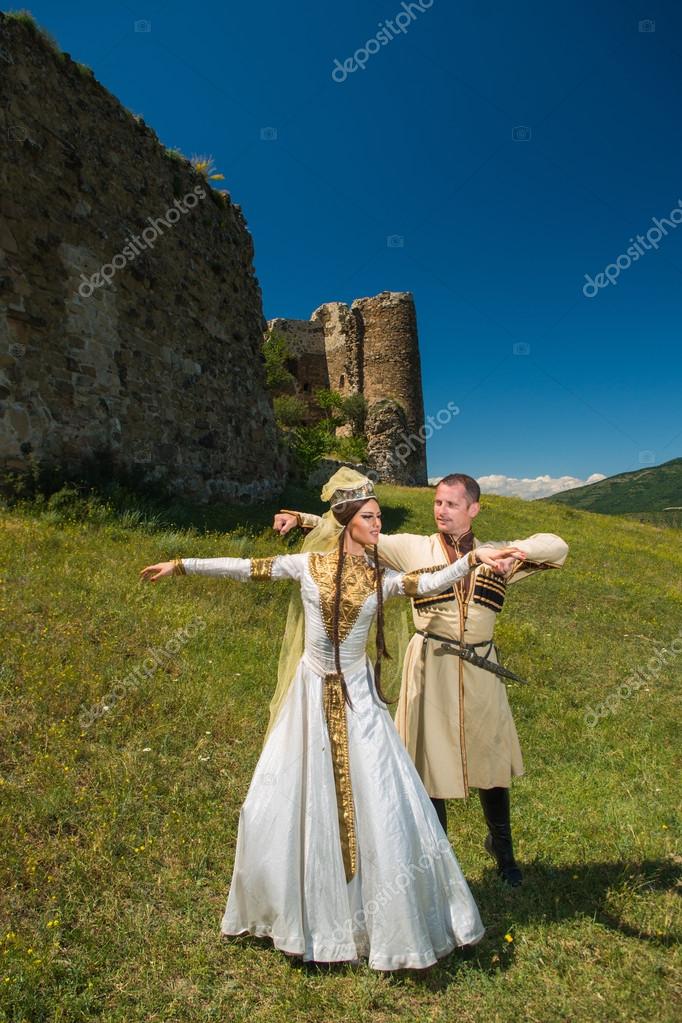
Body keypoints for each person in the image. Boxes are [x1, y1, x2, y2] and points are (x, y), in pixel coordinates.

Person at [140, 469, 525, 971]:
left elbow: (428, 580)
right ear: (347, 522)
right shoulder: (307, 566)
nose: (379, 524)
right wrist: (182, 564)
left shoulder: (380, 578)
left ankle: (385, 914)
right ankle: (299, 909)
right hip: (309, 696)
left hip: (360, 699)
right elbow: (246, 568)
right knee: (284, 799)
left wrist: (472, 559)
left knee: (380, 797)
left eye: (380, 517)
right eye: (371, 517)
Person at [274, 473, 569, 887]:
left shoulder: (495, 554)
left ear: (473, 509)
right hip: (431, 663)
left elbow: (558, 547)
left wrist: (512, 553)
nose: (441, 511)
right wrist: (302, 519)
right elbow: (354, 529)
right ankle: (437, 859)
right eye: (437, 503)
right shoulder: (413, 548)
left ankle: (503, 852)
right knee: (429, 765)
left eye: (451, 504)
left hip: (482, 668)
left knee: (492, 760)